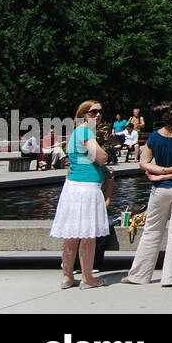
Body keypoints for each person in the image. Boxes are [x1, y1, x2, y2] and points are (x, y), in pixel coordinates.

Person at [123, 98, 172, 287]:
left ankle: (139, 275)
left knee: (151, 231)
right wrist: (168, 175)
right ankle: (170, 278)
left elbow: (144, 163)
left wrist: (162, 172)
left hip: (160, 191)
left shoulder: (155, 137)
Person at [49, 101, 109, 289]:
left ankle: (68, 276)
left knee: (72, 234)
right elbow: (101, 157)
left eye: (100, 112)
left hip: (73, 187)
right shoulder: (86, 132)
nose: (97, 115)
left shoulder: (76, 132)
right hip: (87, 189)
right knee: (88, 236)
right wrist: (104, 152)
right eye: (93, 112)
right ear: (84, 115)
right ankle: (88, 277)